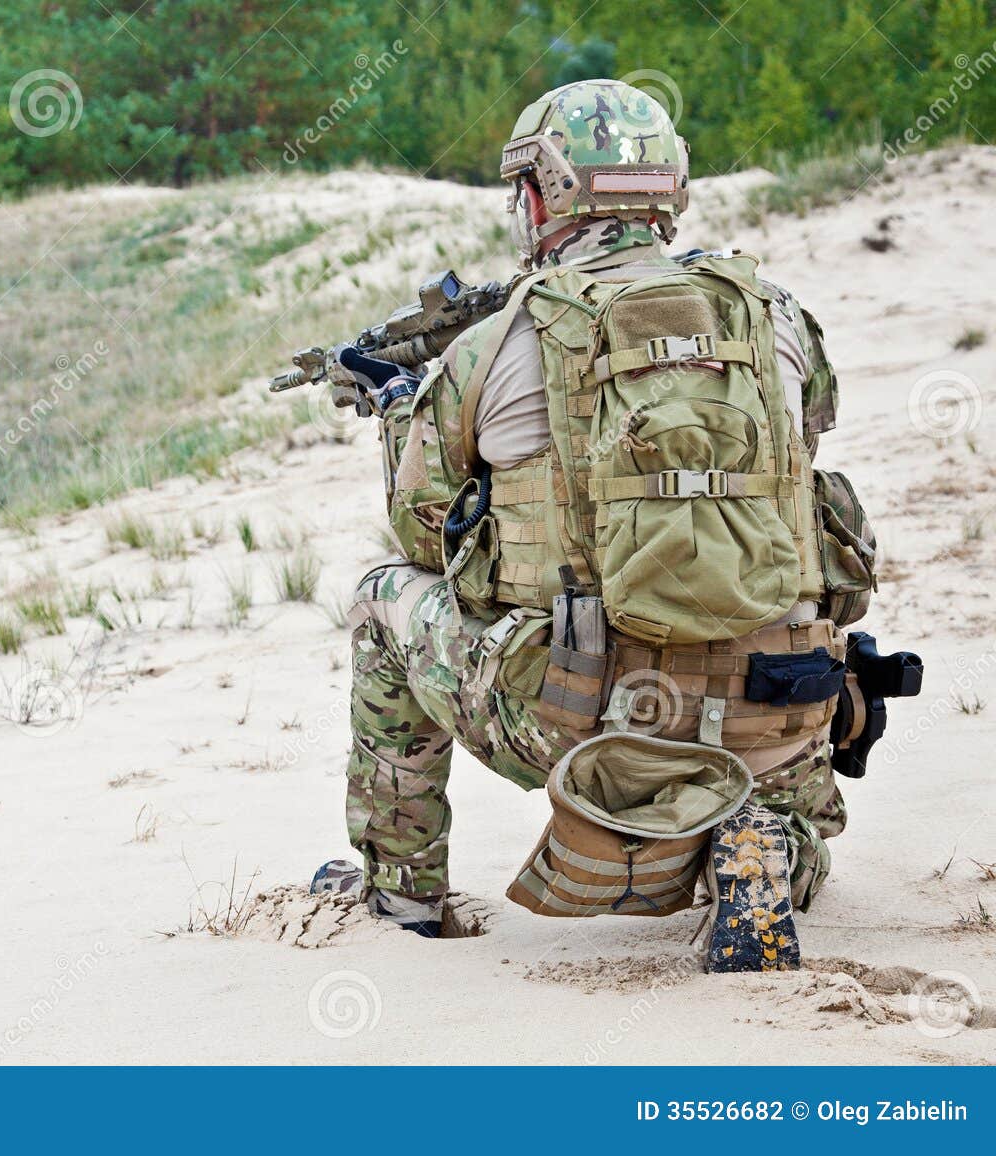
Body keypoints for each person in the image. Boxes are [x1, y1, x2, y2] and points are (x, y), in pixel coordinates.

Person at [312, 78, 864, 972]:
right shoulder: (780, 318)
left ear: (543, 194)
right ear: (668, 189)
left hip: (585, 713)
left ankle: (401, 894)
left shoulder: (495, 344)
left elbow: (424, 538)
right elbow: (805, 459)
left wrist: (400, 411)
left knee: (382, 600)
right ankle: (766, 847)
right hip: (777, 705)